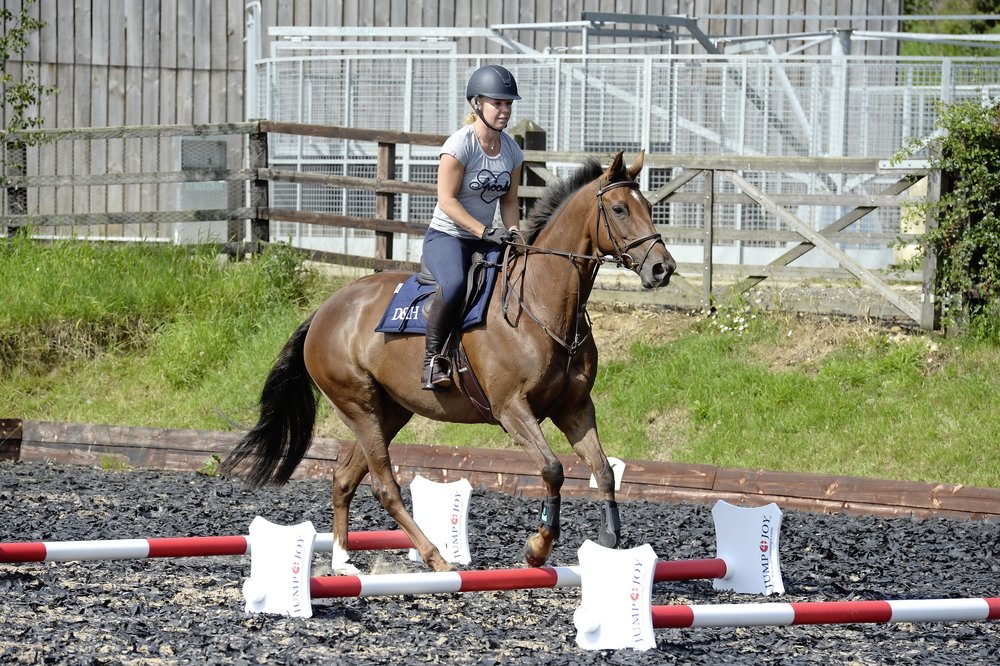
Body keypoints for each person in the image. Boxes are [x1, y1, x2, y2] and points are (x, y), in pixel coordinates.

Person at [420, 64, 525, 390]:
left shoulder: (512, 150)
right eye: (498, 103)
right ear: (477, 104)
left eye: (508, 104)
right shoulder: (459, 145)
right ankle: (432, 360)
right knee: (453, 284)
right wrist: (483, 231)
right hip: (447, 236)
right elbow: (447, 200)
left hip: (486, 237)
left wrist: (515, 233)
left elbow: (509, 201)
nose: (504, 110)